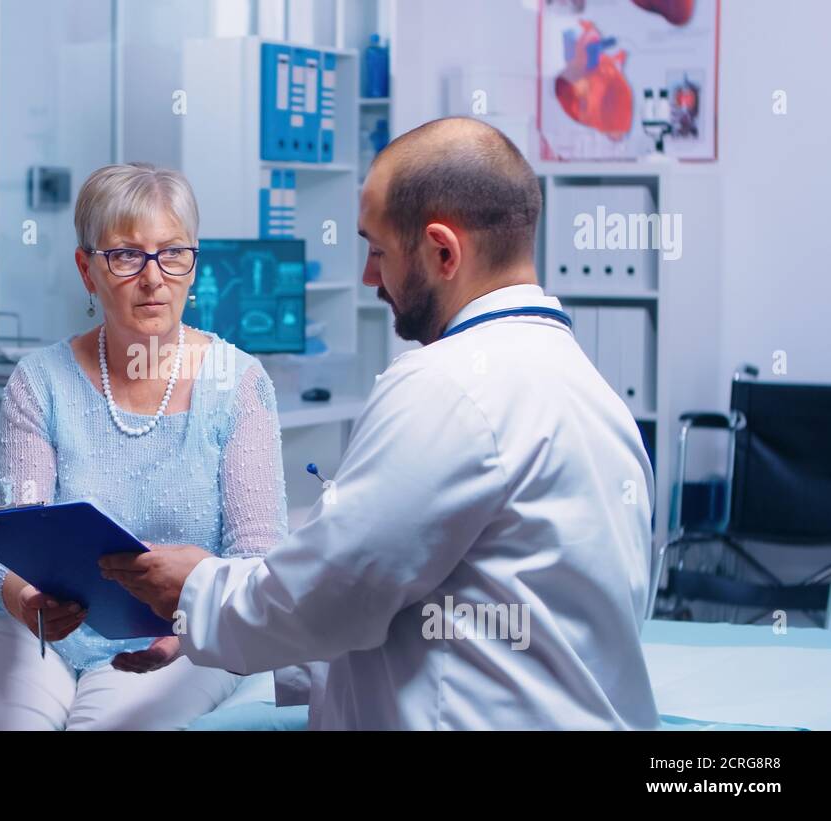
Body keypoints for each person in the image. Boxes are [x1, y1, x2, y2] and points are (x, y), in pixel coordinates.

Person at [101, 117, 661, 730]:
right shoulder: (589, 390)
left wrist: (196, 587)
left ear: (443, 252)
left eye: (377, 250)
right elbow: (430, 603)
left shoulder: (447, 386)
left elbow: (327, 600)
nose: (369, 278)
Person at [0, 163, 287, 730]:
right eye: (126, 256)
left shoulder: (238, 384)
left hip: (185, 631)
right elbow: (10, 537)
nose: (154, 278)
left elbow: (256, 560)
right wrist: (28, 602)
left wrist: (187, 632)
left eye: (172, 253)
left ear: (193, 263)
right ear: (86, 269)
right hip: (36, 622)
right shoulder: (39, 381)